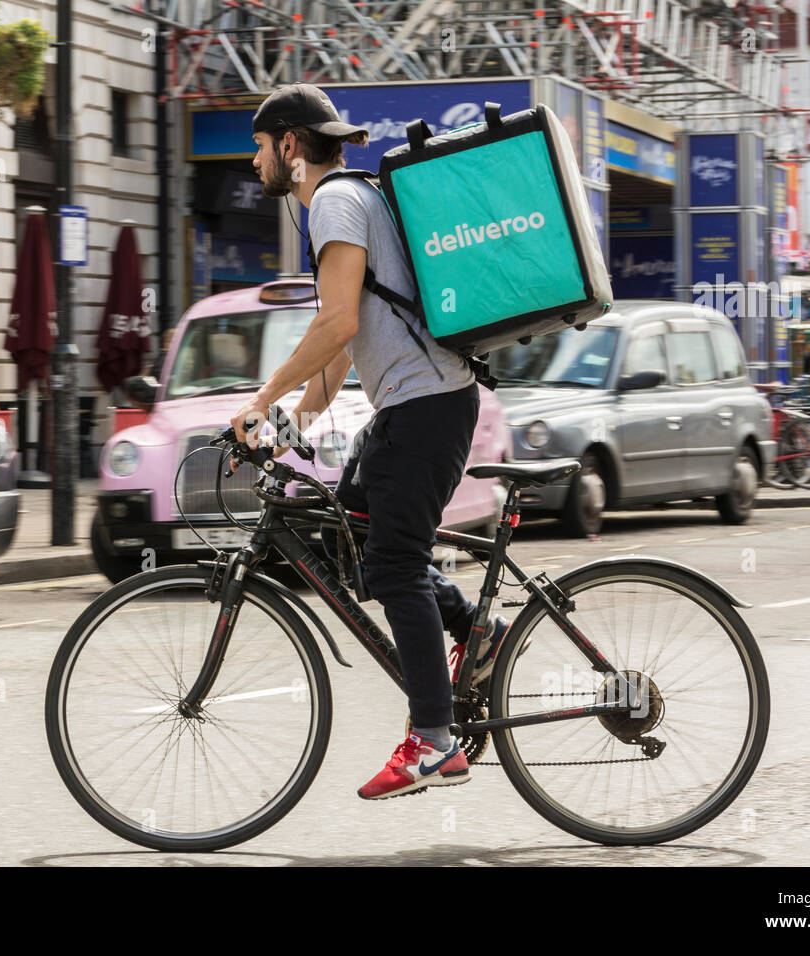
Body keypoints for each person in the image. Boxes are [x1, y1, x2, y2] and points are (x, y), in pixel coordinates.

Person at [230, 83, 509, 800]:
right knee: (347, 540)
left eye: (260, 145)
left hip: (426, 408)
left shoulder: (332, 203)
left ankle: (434, 741)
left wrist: (260, 400)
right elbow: (346, 351)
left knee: (394, 566)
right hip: (411, 408)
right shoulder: (348, 200)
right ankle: (480, 632)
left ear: (290, 145)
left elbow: (339, 324)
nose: (255, 158)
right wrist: (291, 426)